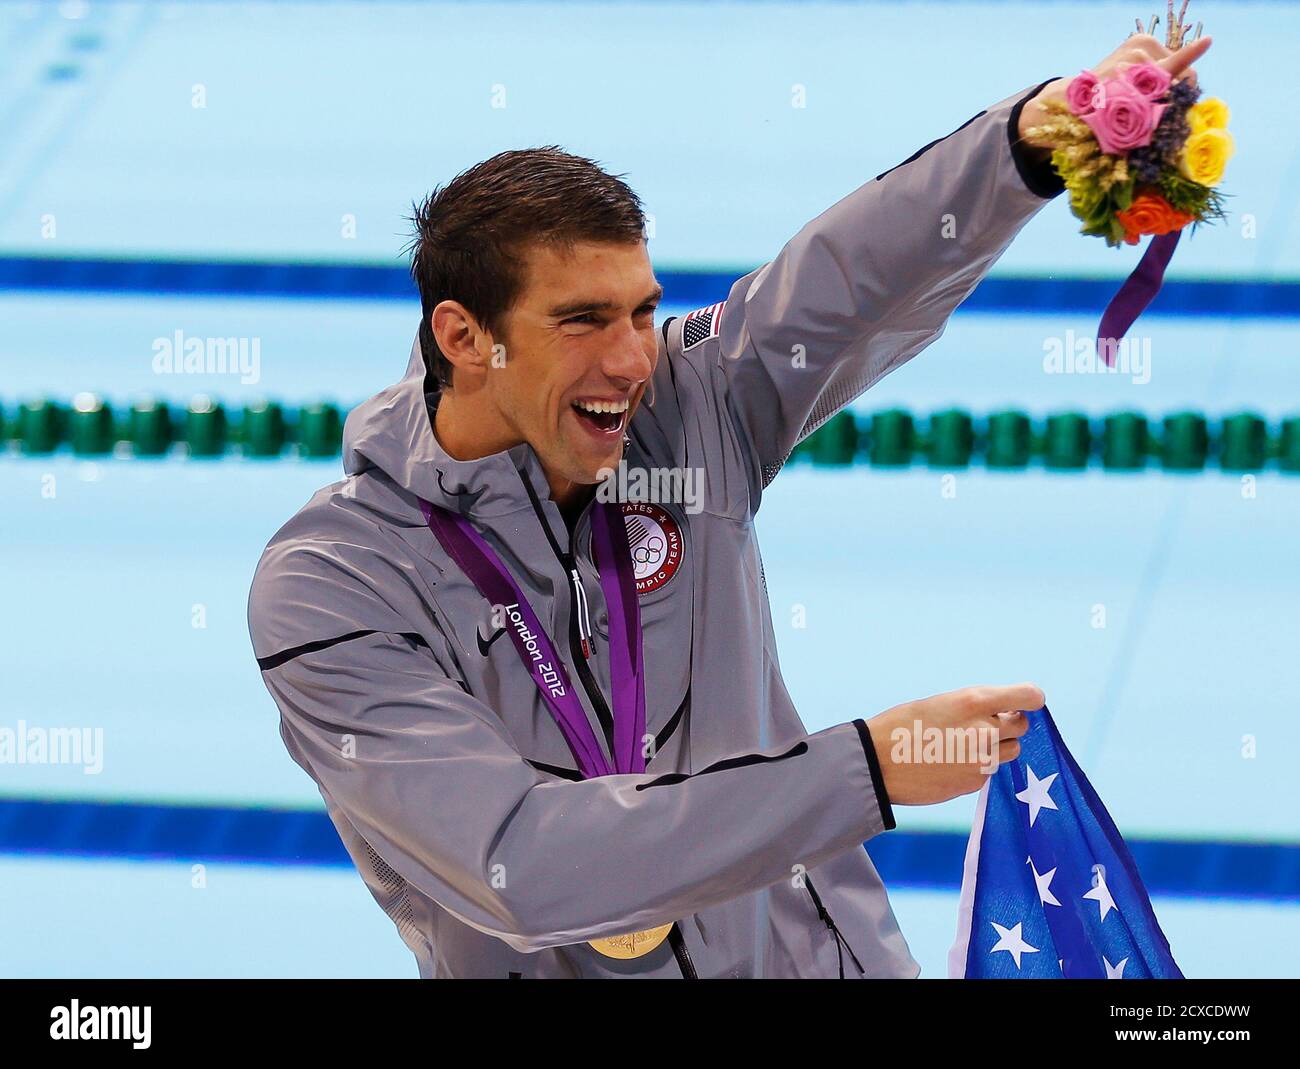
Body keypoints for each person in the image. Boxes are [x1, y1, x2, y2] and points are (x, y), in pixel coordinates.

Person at [247, 34, 1211, 978]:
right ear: (465, 336)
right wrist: (867, 770)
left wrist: (1021, 151)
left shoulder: (685, 413)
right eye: (582, 320)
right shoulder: (336, 586)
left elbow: (844, 286)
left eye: (639, 310)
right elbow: (523, 865)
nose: (631, 360)